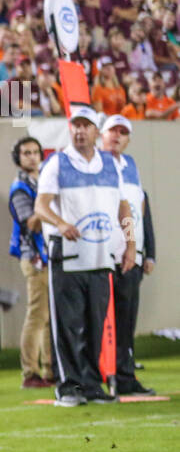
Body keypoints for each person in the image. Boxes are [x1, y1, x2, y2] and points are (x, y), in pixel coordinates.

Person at [35, 107, 136, 406]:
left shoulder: (110, 165)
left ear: (96, 131)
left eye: (86, 126)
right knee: (67, 324)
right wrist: (60, 223)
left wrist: (130, 244)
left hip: (100, 256)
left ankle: (92, 386)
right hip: (68, 257)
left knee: (94, 324)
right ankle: (68, 387)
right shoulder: (57, 163)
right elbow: (41, 206)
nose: (80, 131)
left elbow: (124, 208)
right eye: (75, 125)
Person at [100, 114, 153, 395]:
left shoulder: (130, 165)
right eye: (112, 131)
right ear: (102, 134)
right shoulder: (96, 164)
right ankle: (100, 377)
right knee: (102, 321)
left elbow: (139, 207)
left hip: (131, 255)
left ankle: (125, 375)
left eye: (123, 132)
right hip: (107, 255)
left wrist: (138, 247)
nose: (117, 136)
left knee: (127, 320)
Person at [8, 136, 53, 388]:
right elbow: (32, 222)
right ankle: (30, 373)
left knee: (48, 317)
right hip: (34, 256)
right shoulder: (20, 188)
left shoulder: (41, 181)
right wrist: (50, 206)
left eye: (36, 152)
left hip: (46, 255)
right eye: (26, 152)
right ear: (18, 157)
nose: (32, 156)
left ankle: (50, 370)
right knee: (37, 315)